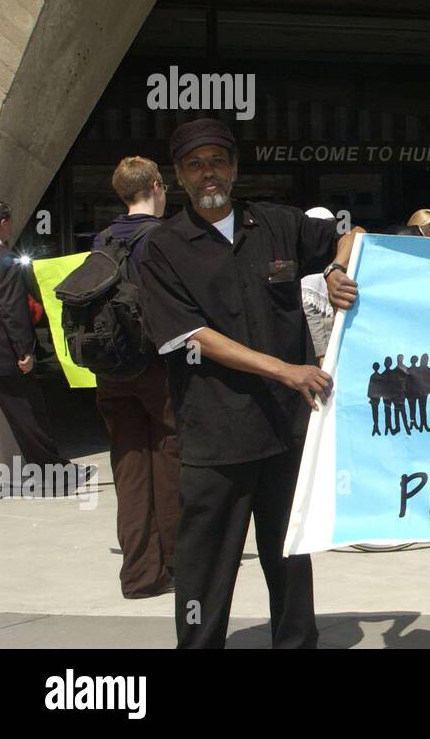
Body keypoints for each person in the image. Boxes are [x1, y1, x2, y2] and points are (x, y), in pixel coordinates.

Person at [137, 118, 364, 648]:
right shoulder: (164, 249)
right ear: (178, 176)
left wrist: (334, 268)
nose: (207, 173)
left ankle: (295, 641)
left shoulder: (277, 224)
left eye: (217, 161)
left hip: (285, 433)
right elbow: (194, 337)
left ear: (234, 168)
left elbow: (353, 235)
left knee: (289, 557)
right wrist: (286, 371)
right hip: (216, 438)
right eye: (194, 165)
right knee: (204, 569)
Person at [89, 157, 181, 598]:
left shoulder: (102, 239)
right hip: (157, 365)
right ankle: (175, 561)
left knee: (128, 467)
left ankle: (139, 576)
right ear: (157, 186)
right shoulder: (166, 237)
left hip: (111, 369)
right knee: (170, 459)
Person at [0, 200, 86, 495]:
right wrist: (25, 350)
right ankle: (52, 471)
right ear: (4, 223)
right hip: (3, 353)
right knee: (28, 411)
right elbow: (12, 309)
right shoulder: (3, 259)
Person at [300, 206, 336, 363]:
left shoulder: (340, 261)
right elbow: (311, 317)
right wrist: (322, 355)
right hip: (322, 348)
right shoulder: (307, 270)